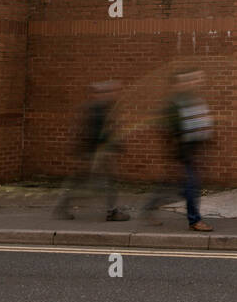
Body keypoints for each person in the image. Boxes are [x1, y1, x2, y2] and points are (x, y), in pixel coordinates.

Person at [143, 70, 214, 232]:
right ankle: (194, 221)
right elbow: (166, 130)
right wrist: (176, 152)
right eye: (190, 80)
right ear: (179, 84)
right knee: (191, 187)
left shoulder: (196, 101)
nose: (195, 82)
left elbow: (202, 127)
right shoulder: (174, 105)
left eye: (196, 79)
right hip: (183, 154)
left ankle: (148, 209)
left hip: (191, 153)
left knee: (173, 186)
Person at [55, 80, 130, 221]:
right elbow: (97, 134)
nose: (116, 94)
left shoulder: (102, 108)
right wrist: (106, 151)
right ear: (102, 93)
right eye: (113, 91)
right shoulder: (98, 110)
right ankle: (111, 212)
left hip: (95, 153)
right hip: (98, 154)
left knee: (85, 182)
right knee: (102, 184)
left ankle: (62, 206)